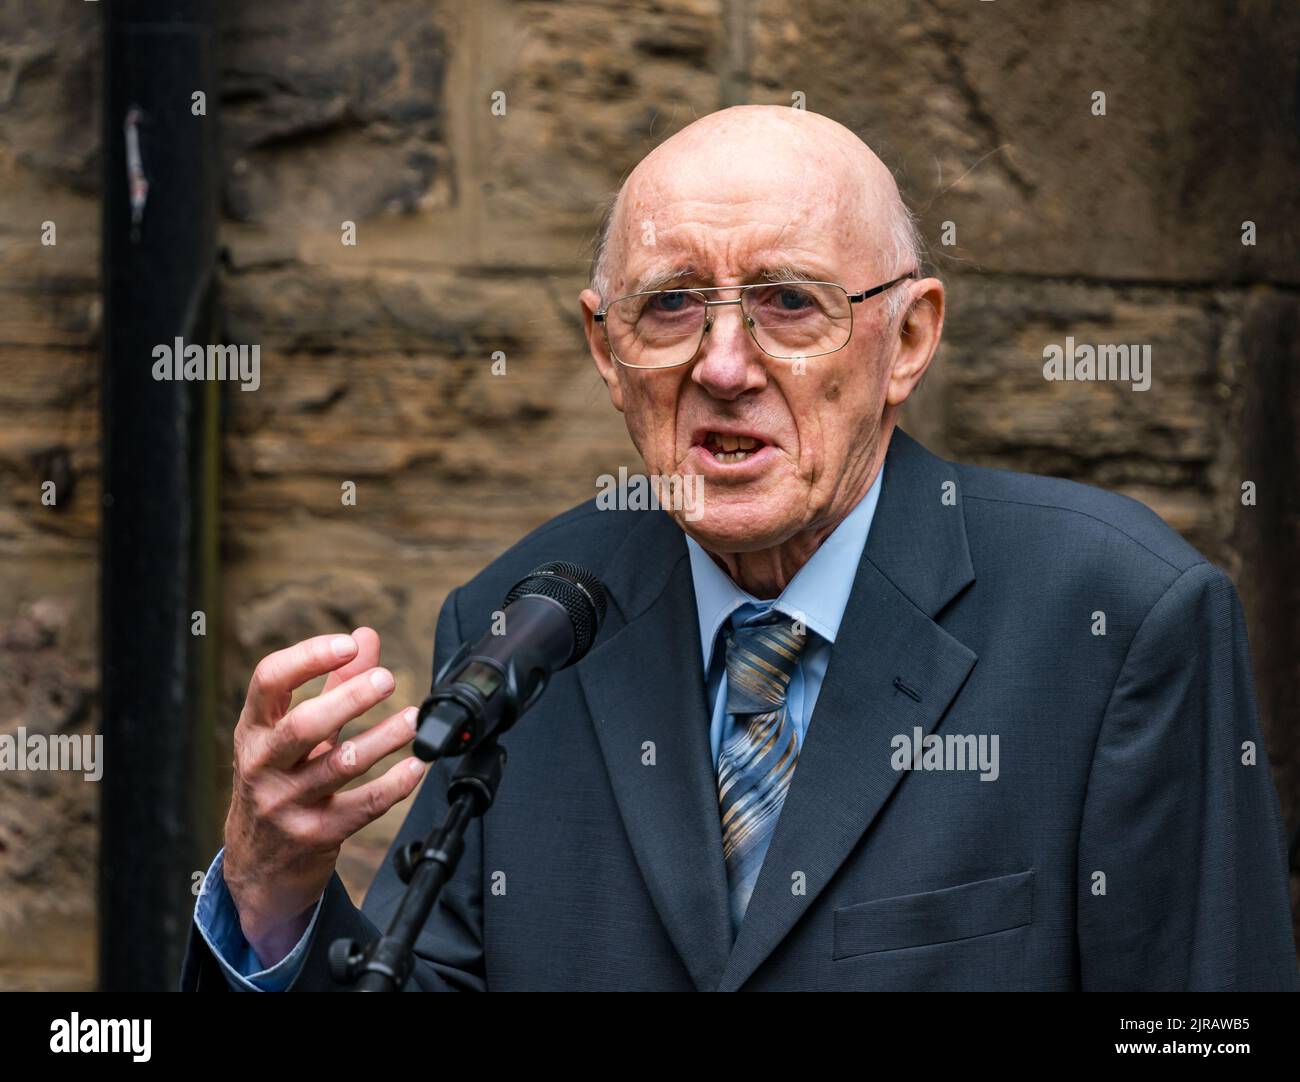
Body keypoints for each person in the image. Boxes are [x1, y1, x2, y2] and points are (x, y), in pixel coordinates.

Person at [182, 105, 1297, 991]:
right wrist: (273, 891)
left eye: (786, 301)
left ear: (908, 336)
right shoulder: (525, 624)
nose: (723, 362)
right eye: (670, 306)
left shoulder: (1114, 619)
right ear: (604, 348)